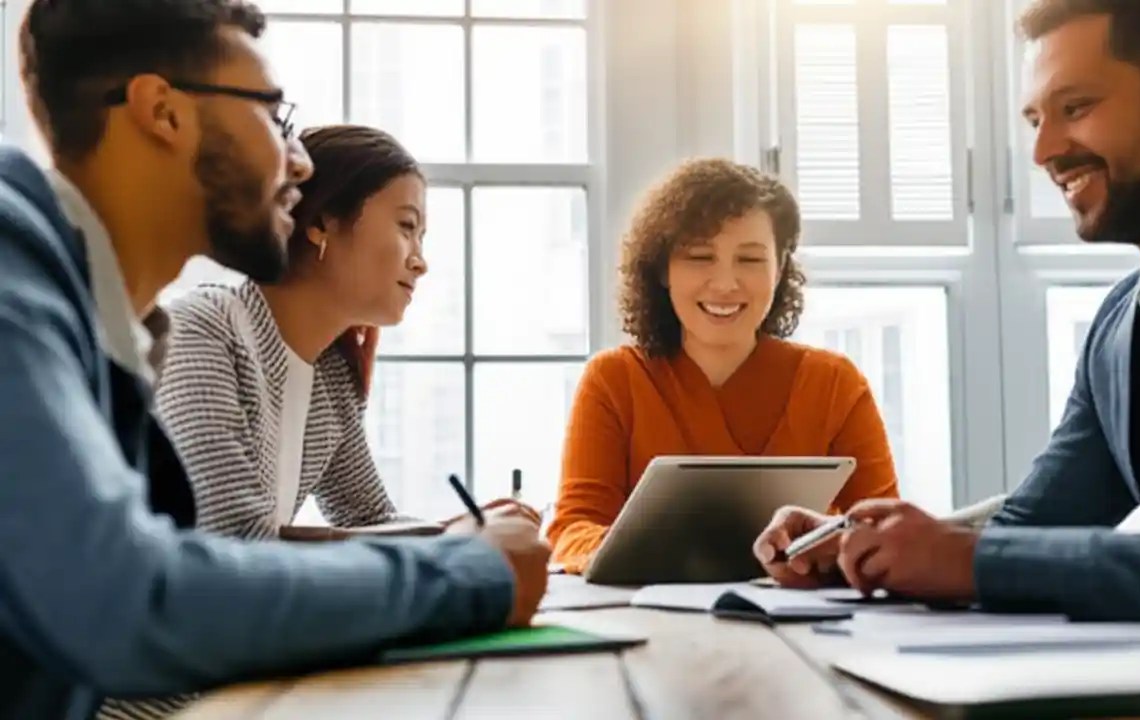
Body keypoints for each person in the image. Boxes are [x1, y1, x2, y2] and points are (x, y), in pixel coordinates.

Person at [3, 2, 548, 718]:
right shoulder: (15, 284)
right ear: (161, 112)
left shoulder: (107, 326)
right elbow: (126, 596)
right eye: (271, 114)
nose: (300, 161)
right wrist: (465, 571)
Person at [754, 0, 1140, 633]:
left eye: (1075, 108)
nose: (1043, 151)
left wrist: (965, 560)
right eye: (1035, 118)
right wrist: (863, 547)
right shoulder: (1119, 333)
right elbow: (1031, 531)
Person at [149, 124, 532, 543]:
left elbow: (369, 517)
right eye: (407, 227)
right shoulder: (204, 330)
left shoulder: (330, 375)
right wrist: (453, 547)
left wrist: (457, 535)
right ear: (321, 224)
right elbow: (235, 541)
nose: (420, 262)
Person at [548, 158, 900, 573]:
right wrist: (651, 552)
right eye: (699, 257)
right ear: (663, 268)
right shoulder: (614, 380)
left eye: (750, 260)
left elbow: (886, 530)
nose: (725, 284)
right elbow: (573, 528)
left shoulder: (835, 384)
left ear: (780, 266)